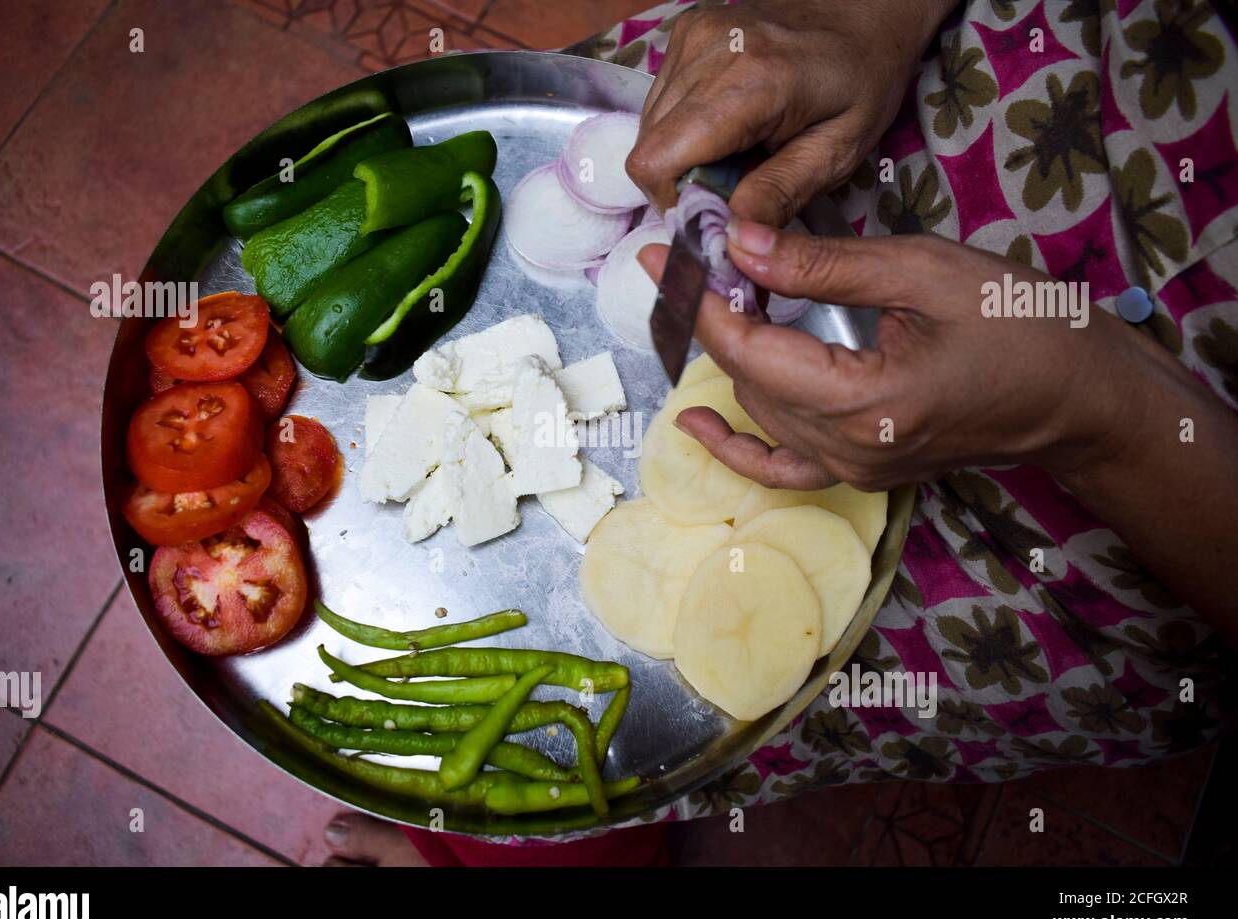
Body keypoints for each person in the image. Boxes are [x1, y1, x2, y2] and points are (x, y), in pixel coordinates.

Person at [323, 0, 1238, 865]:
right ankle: (476, 843)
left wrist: (1091, 410)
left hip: (1114, 529)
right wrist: (868, 18)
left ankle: (520, 848)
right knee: (652, 136)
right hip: (890, 87)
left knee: (622, 762)